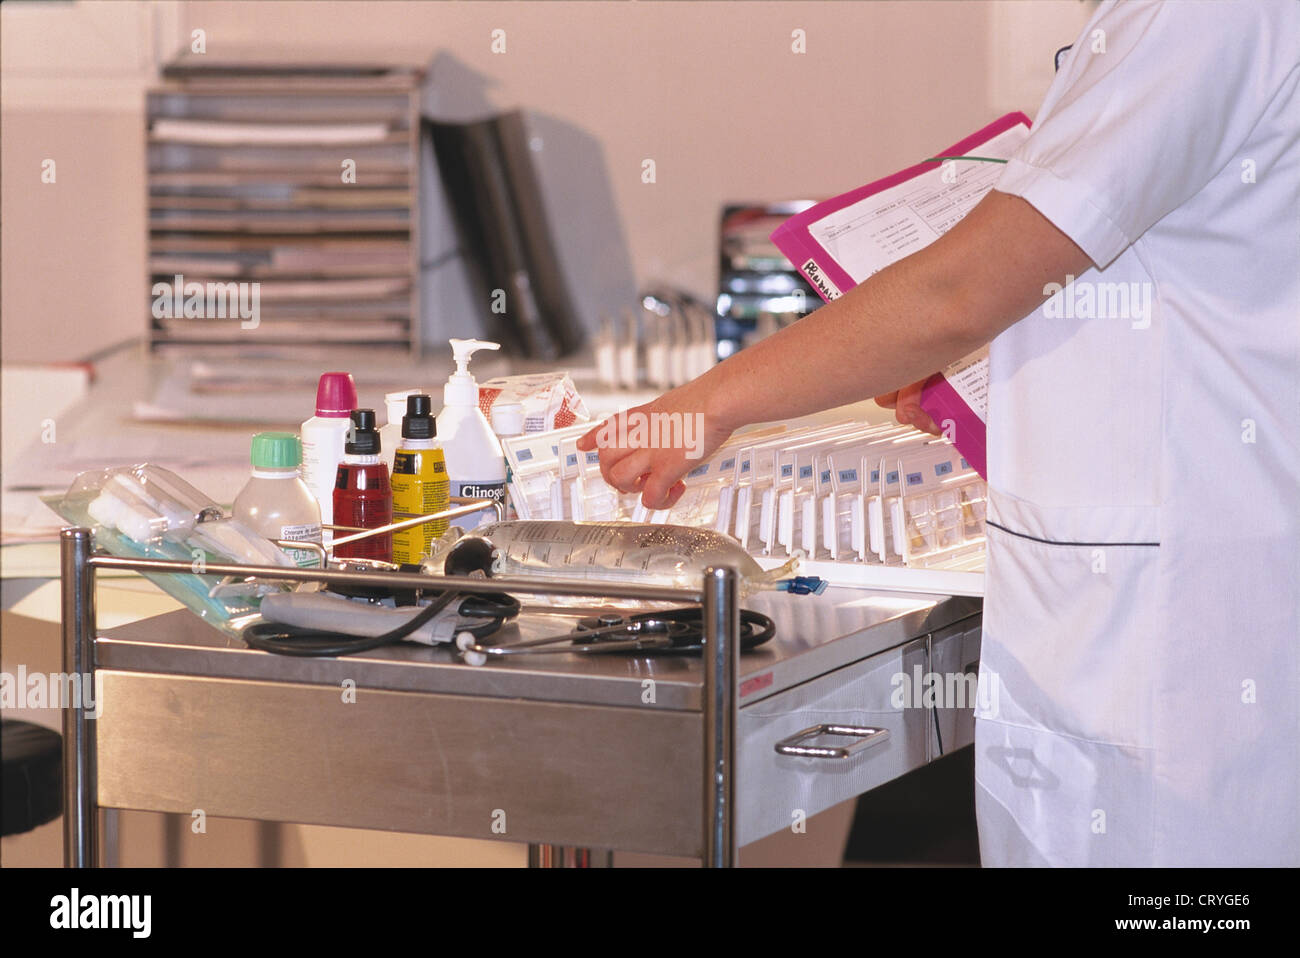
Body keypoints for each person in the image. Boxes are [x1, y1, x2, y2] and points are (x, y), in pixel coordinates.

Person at [578, 0, 1299, 866]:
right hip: (1154, 566)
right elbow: (1134, 269)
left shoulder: (1204, 12)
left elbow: (961, 289)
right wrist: (990, 363)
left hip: (1180, 605)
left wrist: (707, 406)